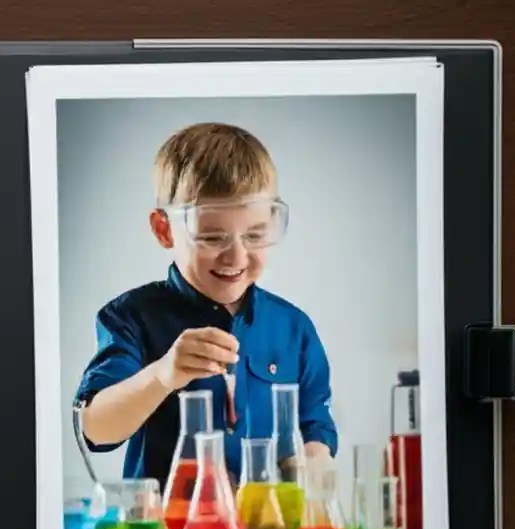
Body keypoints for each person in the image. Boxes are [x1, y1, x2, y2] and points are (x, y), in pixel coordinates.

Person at [75, 121, 337, 486]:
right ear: (164, 229)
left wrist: (309, 463)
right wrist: (163, 375)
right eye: (212, 236)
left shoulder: (294, 328)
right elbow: (96, 428)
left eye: (255, 235)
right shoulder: (131, 317)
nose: (236, 256)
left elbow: (315, 428)